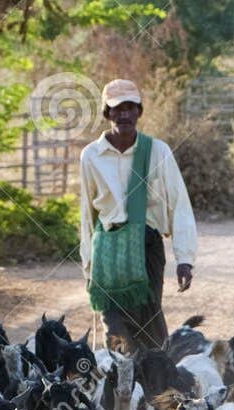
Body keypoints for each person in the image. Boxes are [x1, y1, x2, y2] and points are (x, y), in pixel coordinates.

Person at [79, 78, 197, 354]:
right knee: (115, 329)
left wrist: (185, 259)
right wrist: (88, 265)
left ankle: (155, 387)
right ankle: (121, 389)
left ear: (139, 112)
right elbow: (86, 214)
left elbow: (179, 204)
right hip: (108, 247)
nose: (124, 114)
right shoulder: (91, 156)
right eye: (117, 108)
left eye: (131, 107)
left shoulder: (157, 151)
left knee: (150, 323)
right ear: (107, 113)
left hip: (147, 246)